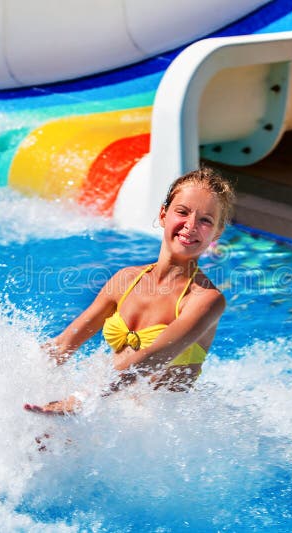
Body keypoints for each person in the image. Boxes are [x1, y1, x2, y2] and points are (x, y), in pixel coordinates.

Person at [24, 167, 235, 415]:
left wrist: (79, 400)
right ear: (163, 214)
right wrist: (14, 375)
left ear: (216, 233)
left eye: (205, 220)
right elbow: (63, 344)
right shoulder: (126, 281)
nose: (190, 226)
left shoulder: (206, 300)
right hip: (107, 408)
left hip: (153, 430)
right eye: (183, 212)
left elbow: (150, 358)